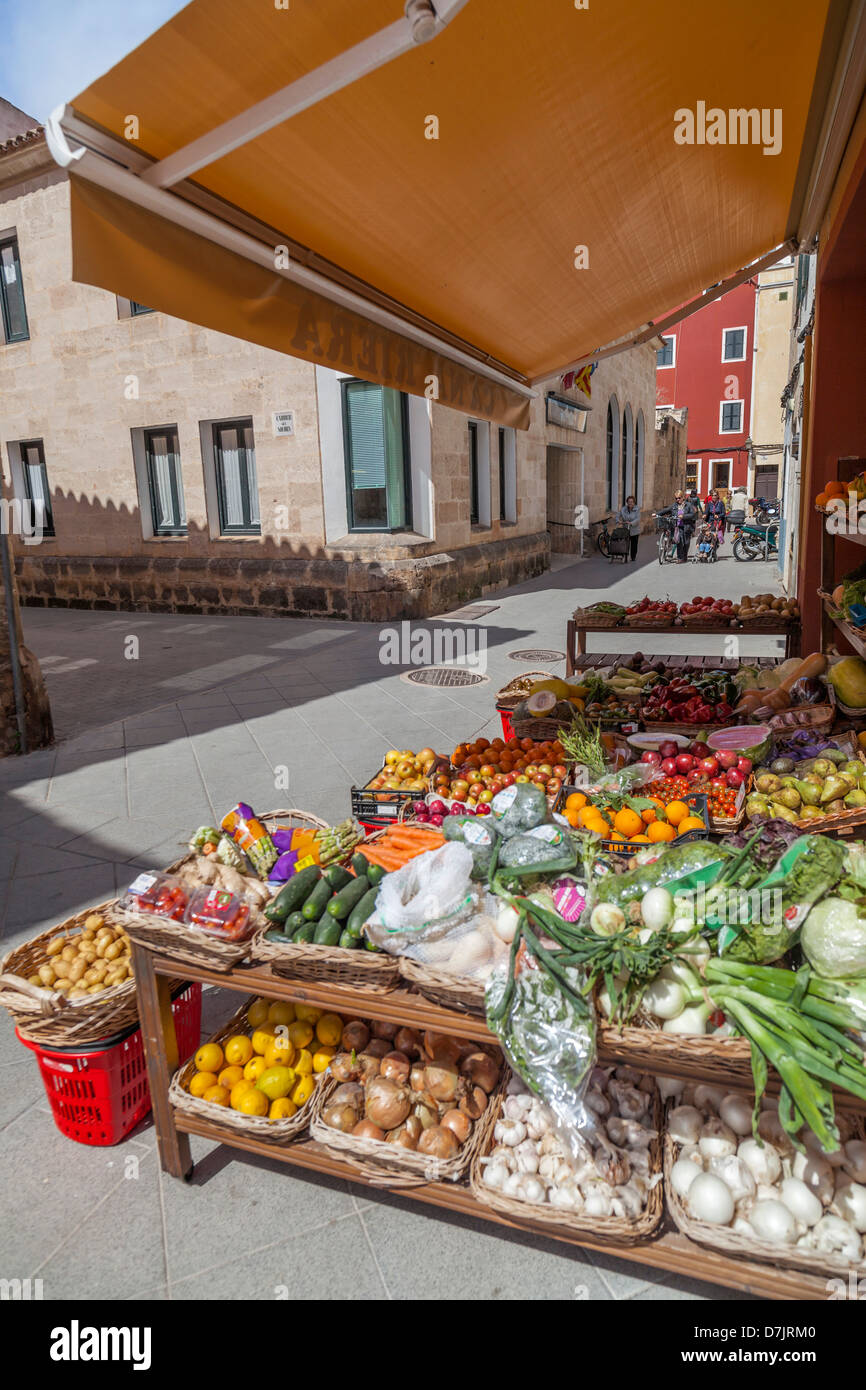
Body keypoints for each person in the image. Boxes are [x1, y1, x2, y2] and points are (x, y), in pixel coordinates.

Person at [617, 494, 641, 561]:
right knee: (625, 543)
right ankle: (625, 555)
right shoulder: (623, 509)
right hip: (625, 529)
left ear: (634, 502)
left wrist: (631, 523)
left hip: (634, 530)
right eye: (629, 502)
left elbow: (638, 519)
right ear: (627, 502)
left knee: (634, 545)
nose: (630, 503)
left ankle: (633, 557)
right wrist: (618, 520)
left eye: (632, 502)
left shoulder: (637, 509)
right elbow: (618, 515)